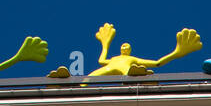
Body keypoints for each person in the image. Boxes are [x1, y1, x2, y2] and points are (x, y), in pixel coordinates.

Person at [47, 24, 202, 78]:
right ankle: (71, 83)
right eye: (122, 46)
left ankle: (135, 76)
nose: (124, 47)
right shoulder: (114, 58)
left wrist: (177, 52)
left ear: (130, 50)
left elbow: (157, 63)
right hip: (109, 68)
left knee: (130, 72)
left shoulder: (132, 59)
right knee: (89, 77)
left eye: (127, 47)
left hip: (128, 70)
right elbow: (101, 61)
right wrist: (105, 42)